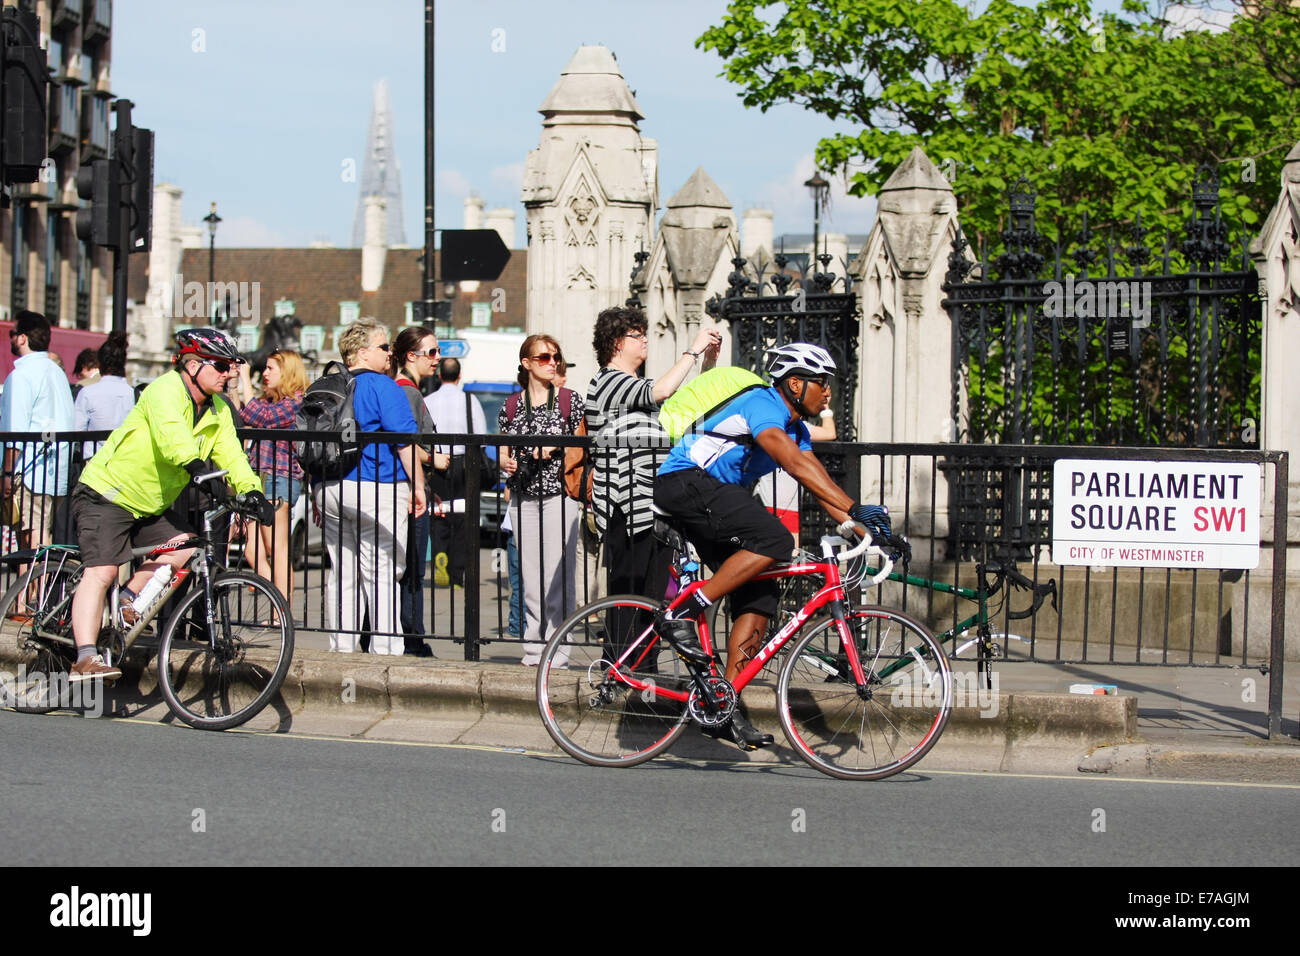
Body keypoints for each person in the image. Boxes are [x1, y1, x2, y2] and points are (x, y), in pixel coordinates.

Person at [653, 343, 893, 750]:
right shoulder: (763, 403)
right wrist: (855, 506)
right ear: (795, 384)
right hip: (684, 482)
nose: (828, 392)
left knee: (760, 593)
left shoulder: (796, 429)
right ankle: (681, 612)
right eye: (822, 383)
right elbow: (792, 462)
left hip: (718, 495)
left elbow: (816, 482)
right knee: (776, 540)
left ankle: (722, 705)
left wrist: (864, 528)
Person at [66, 328, 273, 681]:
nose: (229, 373)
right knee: (103, 571)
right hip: (108, 494)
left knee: (185, 548)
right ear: (192, 365)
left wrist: (253, 492)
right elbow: (173, 440)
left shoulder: (219, 410)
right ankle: (85, 657)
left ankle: (128, 602)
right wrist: (198, 470)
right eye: (221, 366)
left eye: (230, 367)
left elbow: (233, 457)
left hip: (147, 504)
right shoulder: (165, 390)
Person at [586, 306, 721, 668]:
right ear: (616, 342)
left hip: (653, 506)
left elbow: (687, 409)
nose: (645, 340)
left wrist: (706, 367)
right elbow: (661, 390)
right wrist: (691, 352)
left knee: (652, 594)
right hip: (626, 507)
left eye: (645, 333)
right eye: (637, 335)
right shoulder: (608, 381)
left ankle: (641, 669)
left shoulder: (638, 390)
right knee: (629, 594)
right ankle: (620, 668)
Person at [313, 320, 427, 655]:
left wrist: (316, 491)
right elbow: (404, 441)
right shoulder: (382, 386)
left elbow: (311, 440)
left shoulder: (325, 384)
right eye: (383, 347)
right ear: (361, 352)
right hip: (376, 488)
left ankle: (341, 648)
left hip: (331, 487)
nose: (389, 353)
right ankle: (386, 651)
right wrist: (419, 487)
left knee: (343, 571)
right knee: (382, 571)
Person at [497, 334, 583, 667]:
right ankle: (534, 644)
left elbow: (581, 442)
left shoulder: (568, 400)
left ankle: (559, 646)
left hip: (559, 494)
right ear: (527, 363)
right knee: (530, 574)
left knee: (558, 572)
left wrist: (554, 446)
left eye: (555, 357)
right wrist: (506, 462)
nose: (552, 363)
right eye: (544, 357)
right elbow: (502, 447)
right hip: (523, 494)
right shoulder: (511, 405)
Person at [1, 311, 75, 579]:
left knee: (33, 535)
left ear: (22, 338)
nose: (11, 338)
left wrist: (8, 474)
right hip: (57, 469)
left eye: (13, 333)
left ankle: (34, 600)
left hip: (31, 469)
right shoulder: (57, 373)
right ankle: (25, 599)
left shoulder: (21, 376)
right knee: (35, 534)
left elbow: (14, 431)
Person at [233, 348, 308, 603]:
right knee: (253, 550)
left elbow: (260, 418)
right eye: (263, 368)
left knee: (276, 549)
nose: (264, 374)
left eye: (270, 369)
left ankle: (281, 610)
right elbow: (243, 414)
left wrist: (245, 379)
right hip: (259, 478)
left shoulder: (297, 402)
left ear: (287, 372)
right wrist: (234, 383)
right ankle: (275, 598)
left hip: (281, 478)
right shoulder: (270, 401)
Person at [390, 325, 447, 656]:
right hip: (410, 491)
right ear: (411, 356)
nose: (437, 359)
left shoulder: (408, 390)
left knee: (407, 566)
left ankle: (406, 636)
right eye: (431, 352)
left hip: (414, 486)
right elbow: (405, 442)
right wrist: (433, 459)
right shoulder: (408, 392)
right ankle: (413, 639)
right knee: (412, 569)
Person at [423, 356, 487, 588]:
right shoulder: (470, 401)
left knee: (438, 513)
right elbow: (480, 436)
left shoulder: (428, 401)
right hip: (464, 463)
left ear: (440, 375)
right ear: (459, 376)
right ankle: (458, 572)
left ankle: (441, 555)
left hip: (438, 462)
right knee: (463, 518)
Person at [73, 331, 135, 461]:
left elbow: (76, 431)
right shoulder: (134, 394)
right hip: (126, 463)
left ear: (99, 364)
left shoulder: (87, 393)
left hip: (94, 463)